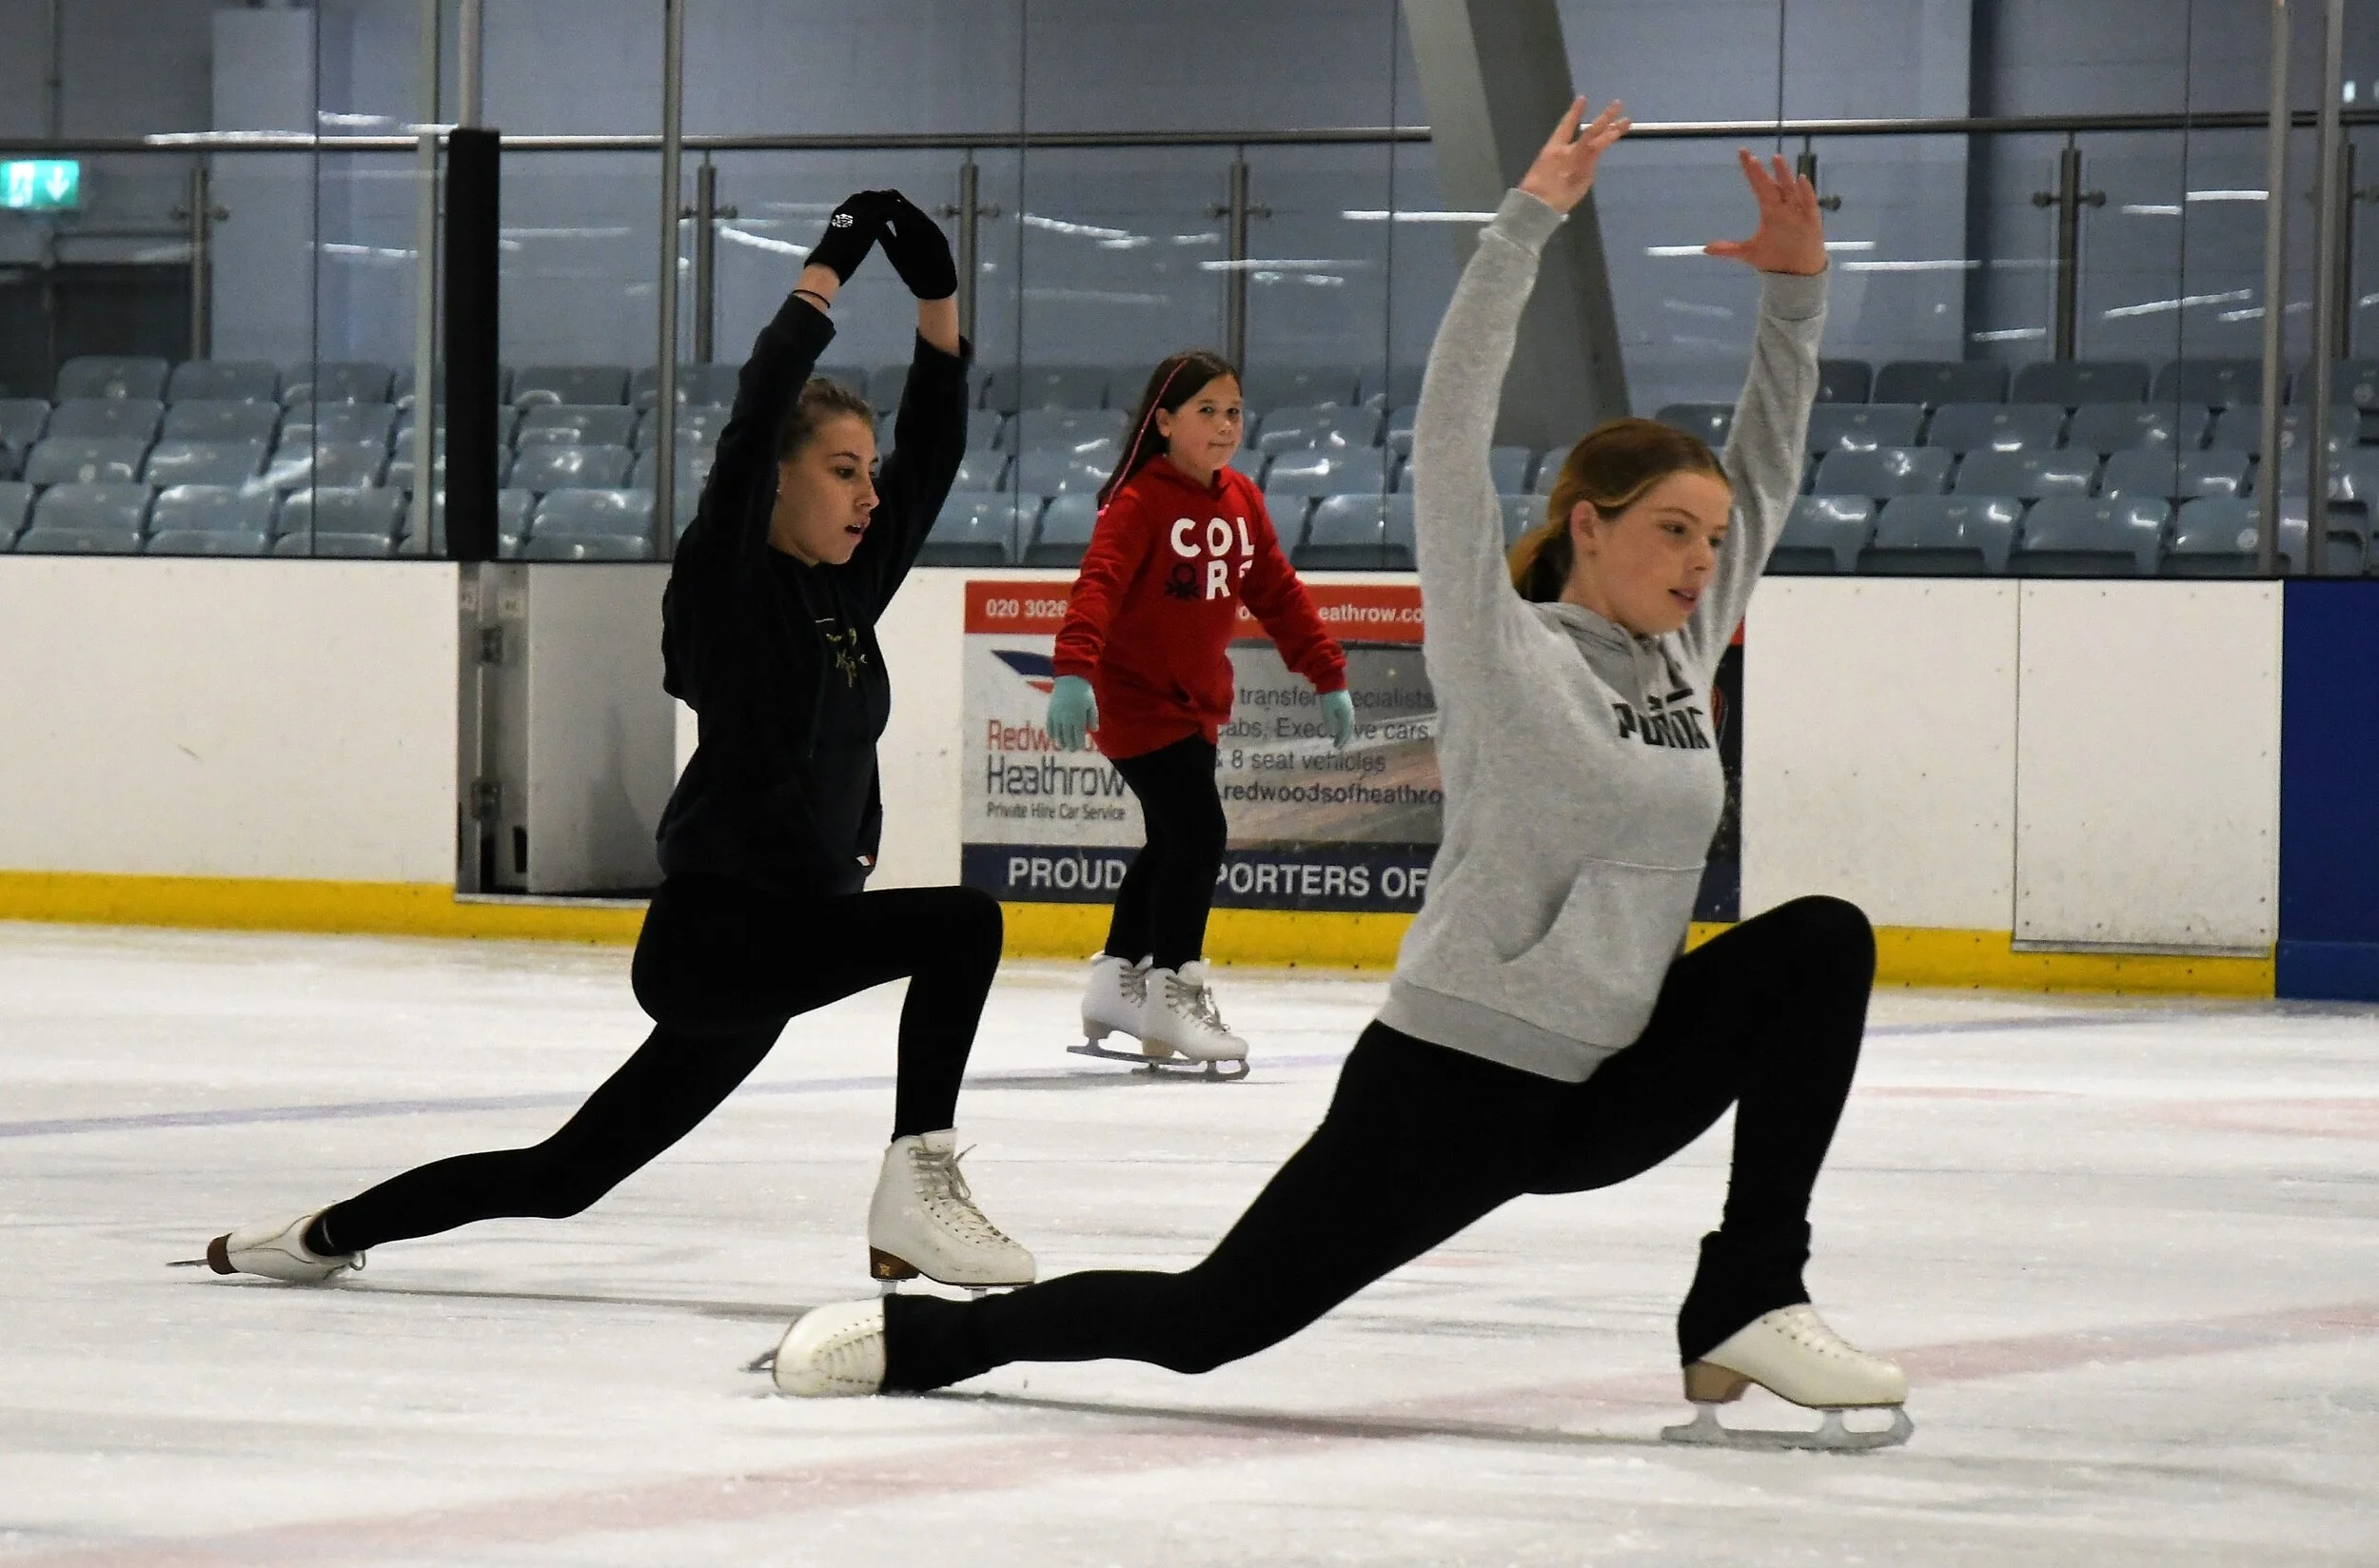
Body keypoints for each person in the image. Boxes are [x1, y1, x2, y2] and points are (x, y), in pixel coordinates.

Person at [769, 102, 1913, 1450]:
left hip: (1617, 1076)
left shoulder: (1686, 649)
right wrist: (1525, 224)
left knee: (1821, 943)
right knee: (1212, 1320)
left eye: (1713, 541)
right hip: (1457, 1080)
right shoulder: (1505, 651)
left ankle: (1746, 1291)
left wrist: (1798, 289)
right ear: (1589, 527)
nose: (1700, 561)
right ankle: (928, 1338)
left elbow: (1767, 466)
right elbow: (1449, 438)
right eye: (1673, 531)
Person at [195, 190, 1035, 1297]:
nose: (870, 494)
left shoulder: (844, 593)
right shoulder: (727, 588)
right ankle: (915, 1193)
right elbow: (753, 416)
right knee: (962, 923)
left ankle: (318, 1231)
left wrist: (937, 301)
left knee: (564, 1174)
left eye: (867, 472)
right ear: (778, 478)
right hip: (721, 941)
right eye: (842, 469)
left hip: (789, 939)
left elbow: (931, 454)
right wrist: (827, 271)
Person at [1045, 352, 1356, 1065]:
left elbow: (1278, 593)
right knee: (1199, 831)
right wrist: (1072, 671)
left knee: (1171, 839)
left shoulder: (1242, 500)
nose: (1224, 425)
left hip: (1194, 705)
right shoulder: (1138, 504)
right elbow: (1096, 587)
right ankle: (1174, 990)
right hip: (1132, 702)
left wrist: (1326, 673)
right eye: (1206, 411)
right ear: (1163, 423)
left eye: (1234, 411)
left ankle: (1116, 979)